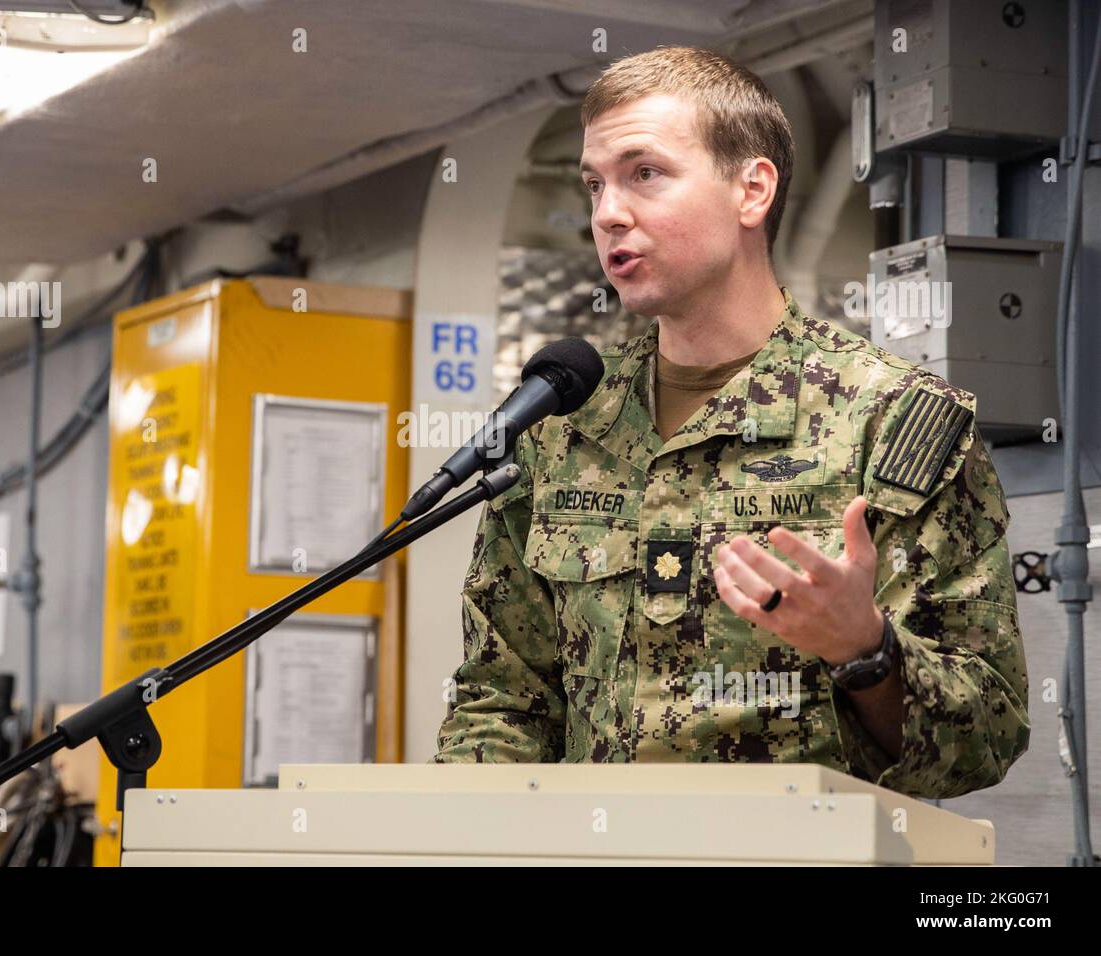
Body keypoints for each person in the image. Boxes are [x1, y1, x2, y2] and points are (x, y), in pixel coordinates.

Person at [432, 46, 1030, 799]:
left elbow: (988, 736)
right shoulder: (564, 427)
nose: (609, 212)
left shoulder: (893, 420)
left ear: (752, 191)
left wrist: (865, 651)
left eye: (644, 173)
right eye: (594, 185)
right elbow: (502, 703)